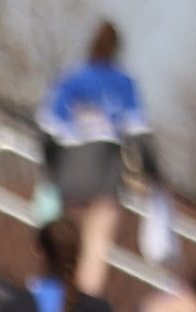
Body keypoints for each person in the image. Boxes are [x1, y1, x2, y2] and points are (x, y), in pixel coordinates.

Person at [38, 19, 155, 288]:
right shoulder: (123, 83)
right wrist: (154, 176)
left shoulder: (71, 78)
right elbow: (141, 135)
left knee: (68, 247)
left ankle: (60, 301)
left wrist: (51, 171)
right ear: (117, 50)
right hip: (105, 179)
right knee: (95, 250)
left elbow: (47, 129)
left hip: (71, 177)